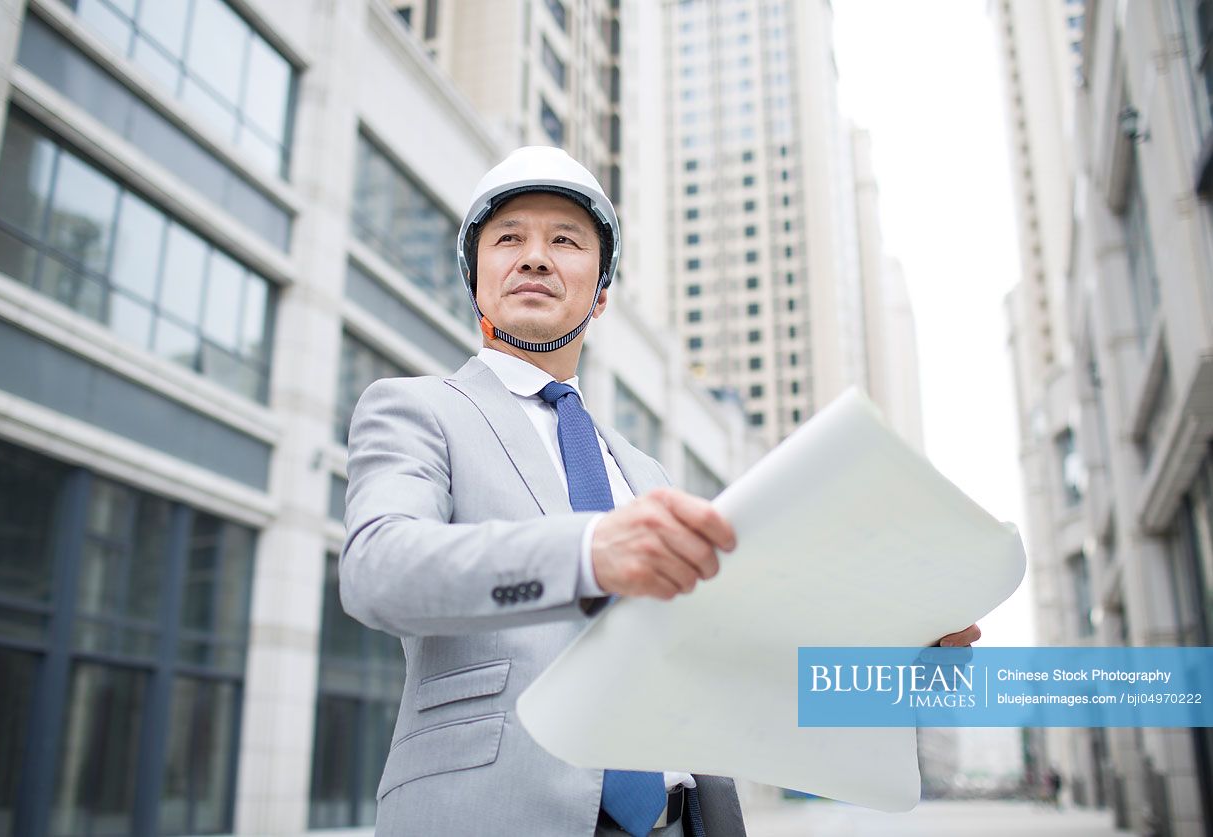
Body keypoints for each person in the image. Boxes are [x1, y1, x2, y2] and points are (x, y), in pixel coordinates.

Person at [340, 146, 982, 836]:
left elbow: (725, 658)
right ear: (475, 278)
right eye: (508, 239)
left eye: (564, 240)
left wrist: (887, 649)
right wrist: (588, 553)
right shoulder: (414, 410)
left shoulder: (646, 474)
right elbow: (378, 570)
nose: (533, 257)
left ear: (602, 290)